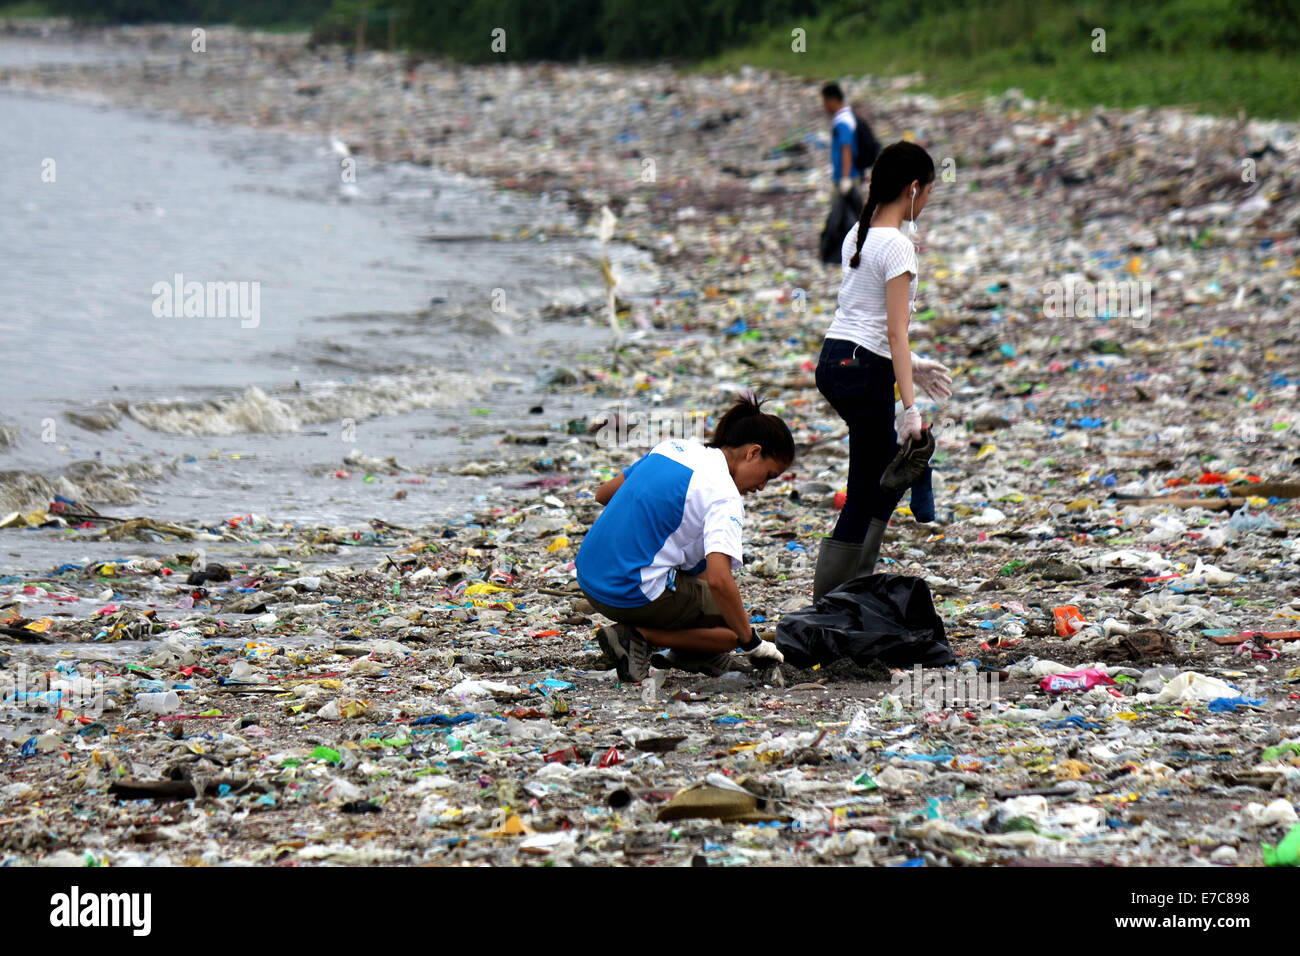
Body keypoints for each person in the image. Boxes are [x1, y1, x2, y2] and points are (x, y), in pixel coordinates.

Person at [812, 141, 954, 600]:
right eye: (929, 192)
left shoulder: (857, 233)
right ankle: (831, 603)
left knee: (882, 474)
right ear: (913, 188)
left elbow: (863, 317)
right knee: (870, 486)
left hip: (835, 361)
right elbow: (894, 333)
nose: (928, 201)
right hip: (862, 370)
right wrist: (911, 407)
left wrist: (910, 364)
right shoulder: (898, 247)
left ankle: (850, 588)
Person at [576, 396, 794, 682]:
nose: (763, 487)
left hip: (589, 578)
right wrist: (752, 642)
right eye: (768, 475)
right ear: (753, 453)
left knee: (701, 573)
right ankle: (636, 637)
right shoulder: (723, 494)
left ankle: (694, 652)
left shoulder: (672, 449)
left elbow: (604, 494)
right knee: (732, 627)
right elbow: (719, 580)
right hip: (626, 592)